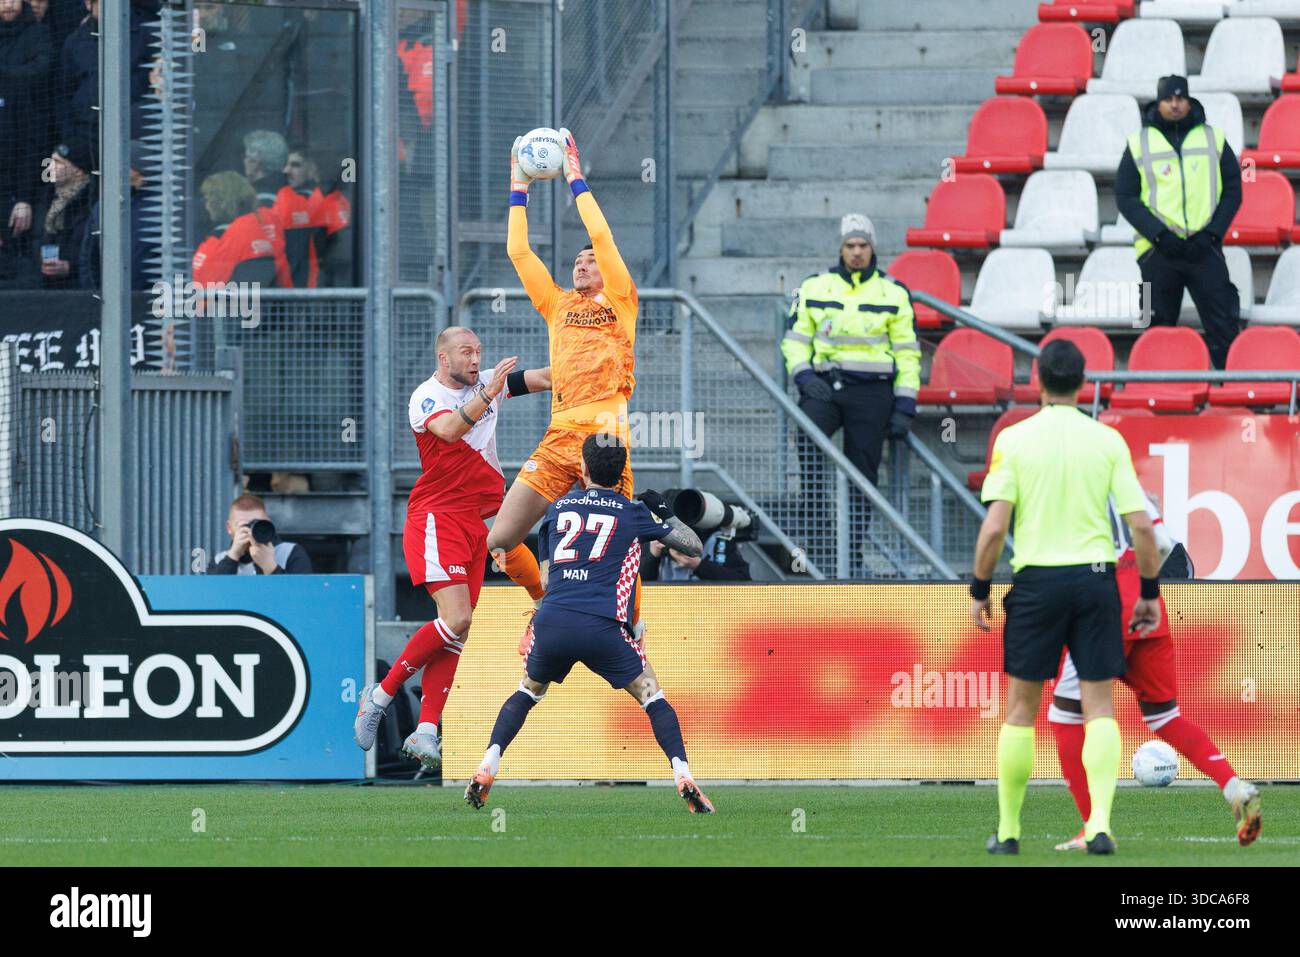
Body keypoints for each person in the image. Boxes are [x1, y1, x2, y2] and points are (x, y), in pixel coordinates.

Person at [971, 339, 1163, 856]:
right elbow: (1142, 526)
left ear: (1037, 378)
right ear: (1083, 383)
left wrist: (980, 589)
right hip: (1095, 581)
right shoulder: (1106, 440)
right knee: (1099, 707)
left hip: (1036, 584)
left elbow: (993, 530)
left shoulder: (1014, 439)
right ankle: (1099, 824)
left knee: (1020, 711)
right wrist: (1148, 591)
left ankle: (1008, 832)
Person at [464, 435, 714, 815]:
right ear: (621, 474)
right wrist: (666, 512)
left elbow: (546, 579)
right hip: (601, 627)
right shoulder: (633, 513)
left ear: (582, 468)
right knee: (652, 696)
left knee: (528, 692)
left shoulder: (557, 508)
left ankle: (488, 765)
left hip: (554, 622)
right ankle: (682, 774)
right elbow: (693, 545)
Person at [352, 326, 551, 771]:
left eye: (479, 351)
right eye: (466, 352)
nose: (476, 359)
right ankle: (380, 695)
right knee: (457, 618)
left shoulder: (486, 386)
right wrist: (489, 393)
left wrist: (582, 373)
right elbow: (446, 431)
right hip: (437, 518)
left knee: (458, 631)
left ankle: (426, 729)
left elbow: (537, 378)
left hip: (474, 522)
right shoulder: (427, 396)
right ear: (444, 357)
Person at [488, 129, 645, 646]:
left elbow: (602, 238)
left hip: (605, 440)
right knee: (502, 539)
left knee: (622, 543)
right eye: (576, 261)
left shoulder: (620, 299)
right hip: (559, 439)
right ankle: (543, 605)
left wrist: (575, 180)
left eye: (589, 261)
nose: (582, 263)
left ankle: (631, 625)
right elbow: (518, 251)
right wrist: (519, 185)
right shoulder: (557, 305)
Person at [1049, 495, 1261, 850]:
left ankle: (1093, 827)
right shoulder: (1127, 485)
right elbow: (1164, 545)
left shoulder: (1068, 484)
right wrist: (1142, 585)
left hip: (1101, 609)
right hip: (1149, 605)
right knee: (1165, 716)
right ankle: (1233, 787)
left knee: (1066, 713)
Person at [782, 214, 920, 568]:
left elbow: (908, 353)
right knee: (810, 448)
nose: (857, 252)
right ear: (840, 249)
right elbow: (794, 341)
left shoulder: (894, 292)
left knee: (864, 473)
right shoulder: (815, 287)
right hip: (825, 385)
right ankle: (819, 541)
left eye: (863, 245)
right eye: (850, 245)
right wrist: (803, 377)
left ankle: (852, 552)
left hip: (873, 393)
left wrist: (905, 404)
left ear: (873, 248)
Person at [1115, 74, 1242, 370]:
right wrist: (1159, 235)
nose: (1175, 105)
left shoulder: (1214, 138)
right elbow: (1125, 197)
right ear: (1158, 103)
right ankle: (1158, 396)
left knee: (1224, 323)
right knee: (1155, 328)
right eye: (1168, 99)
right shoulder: (1138, 143)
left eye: (1180, 98)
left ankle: (1235, 392)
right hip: (1158, 252)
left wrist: (1212, 234)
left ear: (1189, 100)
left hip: (1204, 248)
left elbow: (1234, 190)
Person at [0, 0, 53, 279]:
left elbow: (42, 70)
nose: (7, 5)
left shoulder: (37, 34)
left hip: (23, 161)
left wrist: (24, 198)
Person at [192, 171, 290, 288]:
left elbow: (211, 282)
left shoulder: (234, 235)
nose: (206, 205)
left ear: (220, 201)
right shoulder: (259, 225)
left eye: (208, 199)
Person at [33, 138, 94, 289]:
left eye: (58, 162)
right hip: (42, 284)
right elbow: (35, 238)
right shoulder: (46, 198)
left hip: (77, 288)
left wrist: (71, 267)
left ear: (78, 171)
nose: (50, 166)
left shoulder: (91, 202)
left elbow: (95, 252)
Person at [210, 494, 312, 575]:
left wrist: (270, 567)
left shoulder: (290, 553)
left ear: (268, 524)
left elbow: (300, 597)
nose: (251, 532)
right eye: (244, 526)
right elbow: (211, 596)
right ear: (229, 528)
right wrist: (232, 558)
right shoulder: (219, 560)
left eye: (257, 524)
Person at [643, 524, 751, 582]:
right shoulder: (655, 541)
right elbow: (631, 589)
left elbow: (744, 582)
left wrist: (698, 565)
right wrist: (653, 557)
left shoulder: (718, 541)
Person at [242, 130, 288, 210]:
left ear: (255, 163)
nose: (244, 161)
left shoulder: (257, 200)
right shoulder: (287, 191)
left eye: (246, 156)